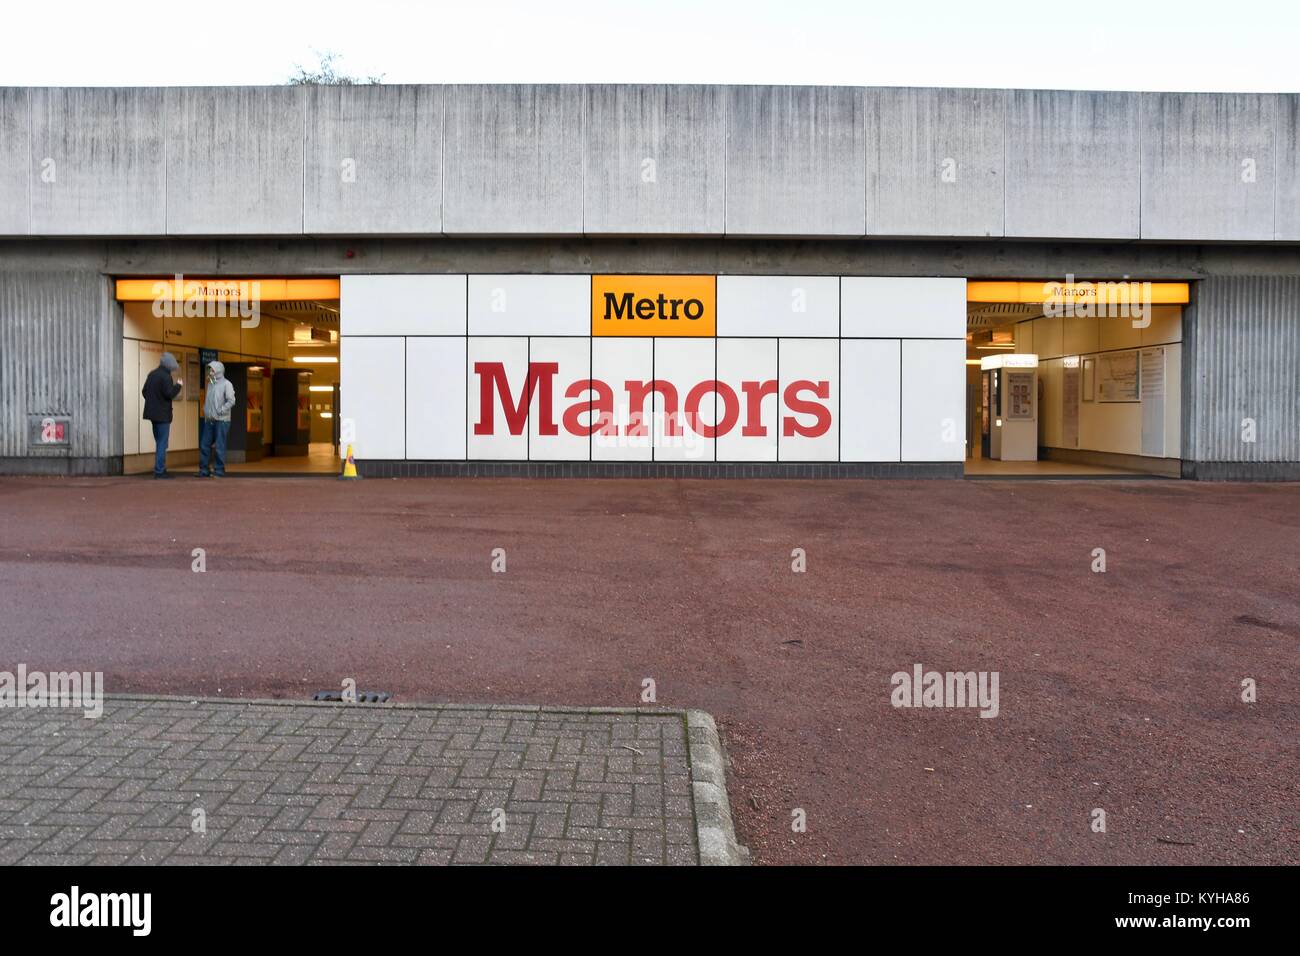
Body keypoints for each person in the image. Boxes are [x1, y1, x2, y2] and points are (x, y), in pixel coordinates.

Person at [141, 352, 183, 479]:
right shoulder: (166, 377)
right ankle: (160, 471)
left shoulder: (152, 374)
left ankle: (161, 469)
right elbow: (169, 394)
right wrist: (178, 385)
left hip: (152, 414)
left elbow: (144, 391)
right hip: (163, 415)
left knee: (159, 441)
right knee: (162, 443)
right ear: (169, 365)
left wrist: (153, 401)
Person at [199, 361, 236, 478]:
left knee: (219, 446)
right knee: (205, 445)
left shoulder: (227, 384)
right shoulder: (211, 382)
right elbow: (208, 399)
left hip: (222, 420)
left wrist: (221, 410)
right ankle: (204, 470)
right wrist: (206, 410)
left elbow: (231, 400)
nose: (210, 372)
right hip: (209, 419)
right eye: (209, 369)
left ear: (219, 370)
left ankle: (219, 470)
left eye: (212, 369)